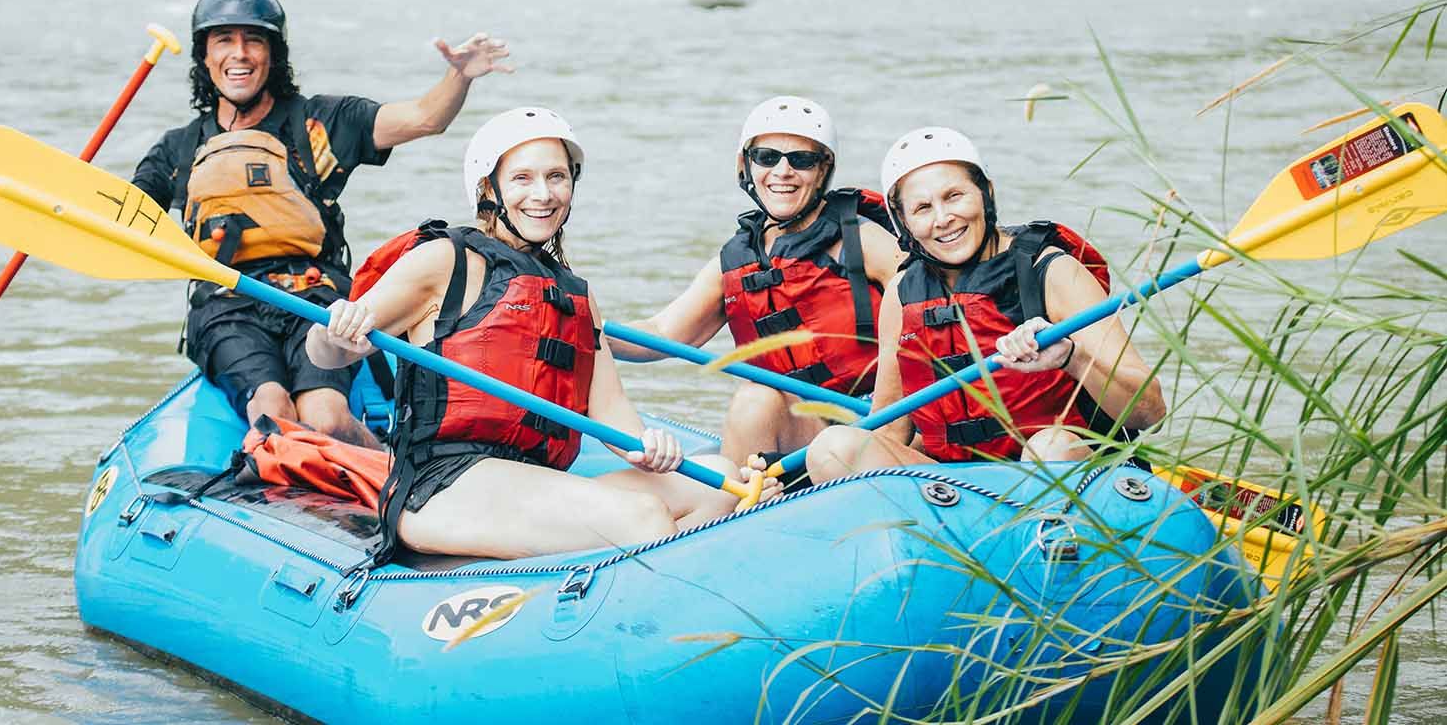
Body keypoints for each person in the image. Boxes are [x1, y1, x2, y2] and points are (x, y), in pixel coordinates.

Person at [307, 108, 749, 559]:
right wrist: (335, 333)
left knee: (717, 482)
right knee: (640, 518)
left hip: (533, 483)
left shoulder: (576, 294)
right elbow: (327, 356)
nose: (543, 194)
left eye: (556, 176)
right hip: (445, 484)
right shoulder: (446, 260)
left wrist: (646, 447)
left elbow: (612, 411)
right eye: (522, 178)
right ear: (488, 188)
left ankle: (615, 573)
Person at [132, 0, 512, 448]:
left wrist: (461, 77)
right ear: (204, 57)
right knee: (272, 411)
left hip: (315, 299)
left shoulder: (322, 123)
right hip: (226, 307)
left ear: (274, 54)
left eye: (254, 40)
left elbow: (423, 119)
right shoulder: (177, 150)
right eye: (224, 41)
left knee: (327, 418)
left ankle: (403, 484)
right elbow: (128, 218)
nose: (240, 54)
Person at [804, 127, 1167, 482]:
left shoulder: (1051, 272)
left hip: (1067, 471)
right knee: (833, 448)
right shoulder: (902, 293)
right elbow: (891, 426)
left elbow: (1150, 412)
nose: (943, 219)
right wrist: (788, 473)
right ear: (903, 222)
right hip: (960, 489)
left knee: (1050, 448)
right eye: (922, 208)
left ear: (986, 193)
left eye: (954, 196)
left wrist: (1073, 357)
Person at [607, 97, 906, 467]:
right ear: (746, 165)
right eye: (767, 157)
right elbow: (661, 332)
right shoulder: (735, 260)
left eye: (801, 159)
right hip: (792, 427)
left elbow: (932, 303)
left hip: (871, 421)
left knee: (756, 399)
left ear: (823, 169)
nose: (783, 171)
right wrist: (588, 332)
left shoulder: (863, 240)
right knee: (756, 398)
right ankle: (746, 504)